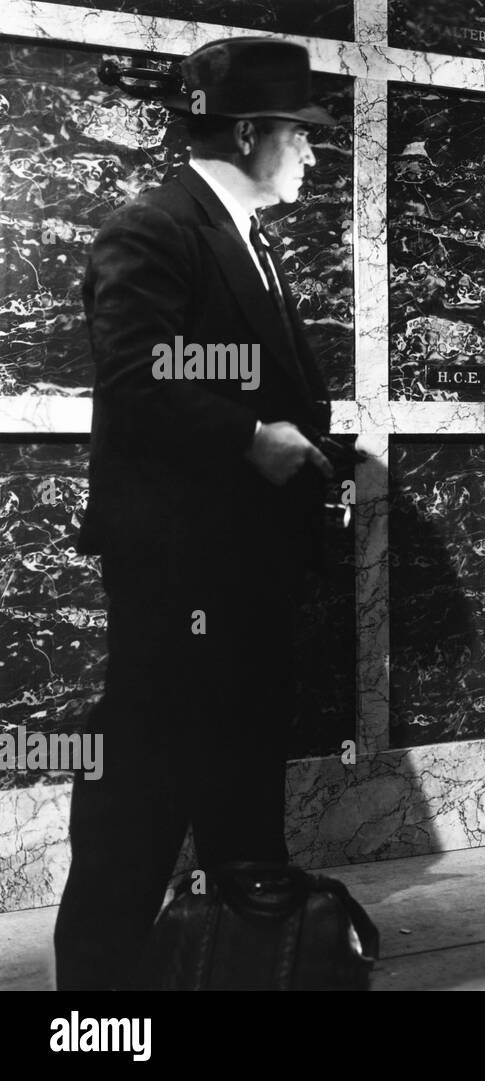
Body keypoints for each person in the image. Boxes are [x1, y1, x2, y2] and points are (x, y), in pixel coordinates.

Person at [54, 37, 338, 989]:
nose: (310, 153)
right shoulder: (156, 228)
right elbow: (139, 376)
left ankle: (240, 963)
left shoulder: (248, 239)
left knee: (240, 783)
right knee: (139, 787)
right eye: (298, 134)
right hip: (182, 570)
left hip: (244, 567)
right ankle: (94, 1004)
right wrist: (253, 440)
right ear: (251, 132)